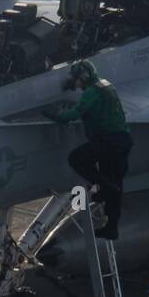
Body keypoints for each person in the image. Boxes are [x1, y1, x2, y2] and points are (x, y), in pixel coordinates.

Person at [44, 59, 132, 240]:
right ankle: (112, 228)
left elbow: (71, 115)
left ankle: (104, 187)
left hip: (109, 141)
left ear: (83, 77)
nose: (75, 83)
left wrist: (52, 114)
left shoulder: (91, 92)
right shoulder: (106, 85)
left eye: (76, 79)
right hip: (122, 141)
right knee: (115, 182)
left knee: (76, 159)